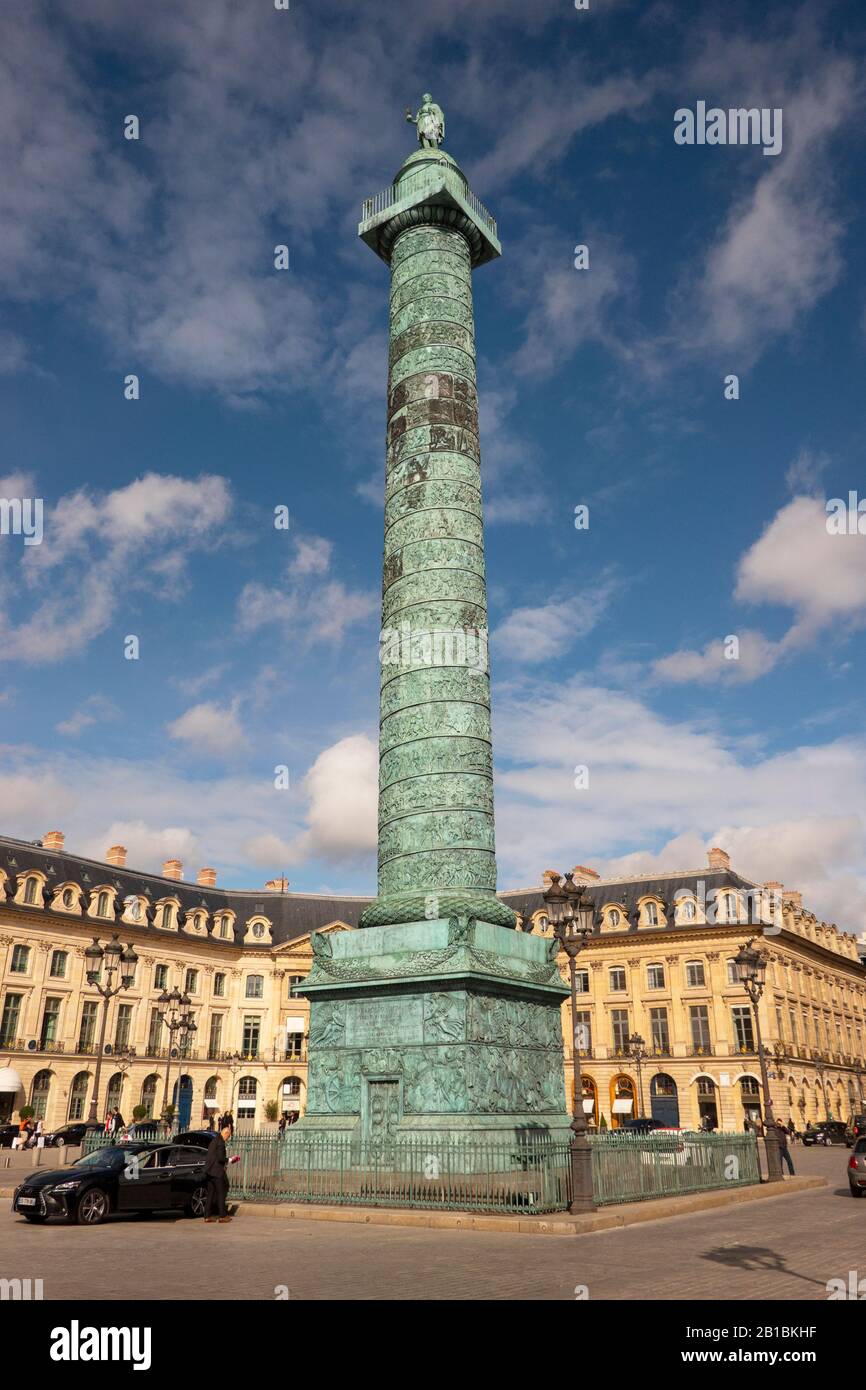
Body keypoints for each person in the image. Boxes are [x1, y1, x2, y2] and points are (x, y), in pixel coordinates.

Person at [203, 1124, 233, 1223]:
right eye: (228, 1137)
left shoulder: (214, 1140)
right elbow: (220, 1158)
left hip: (209, 1171)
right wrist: (230, 1159)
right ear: (225, 1134)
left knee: (211, 1194)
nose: (227, 1139)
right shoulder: (220, 1142)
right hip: (217, 1172)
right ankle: (222, 1216)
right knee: (221, 1193)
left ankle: (207, 1216)